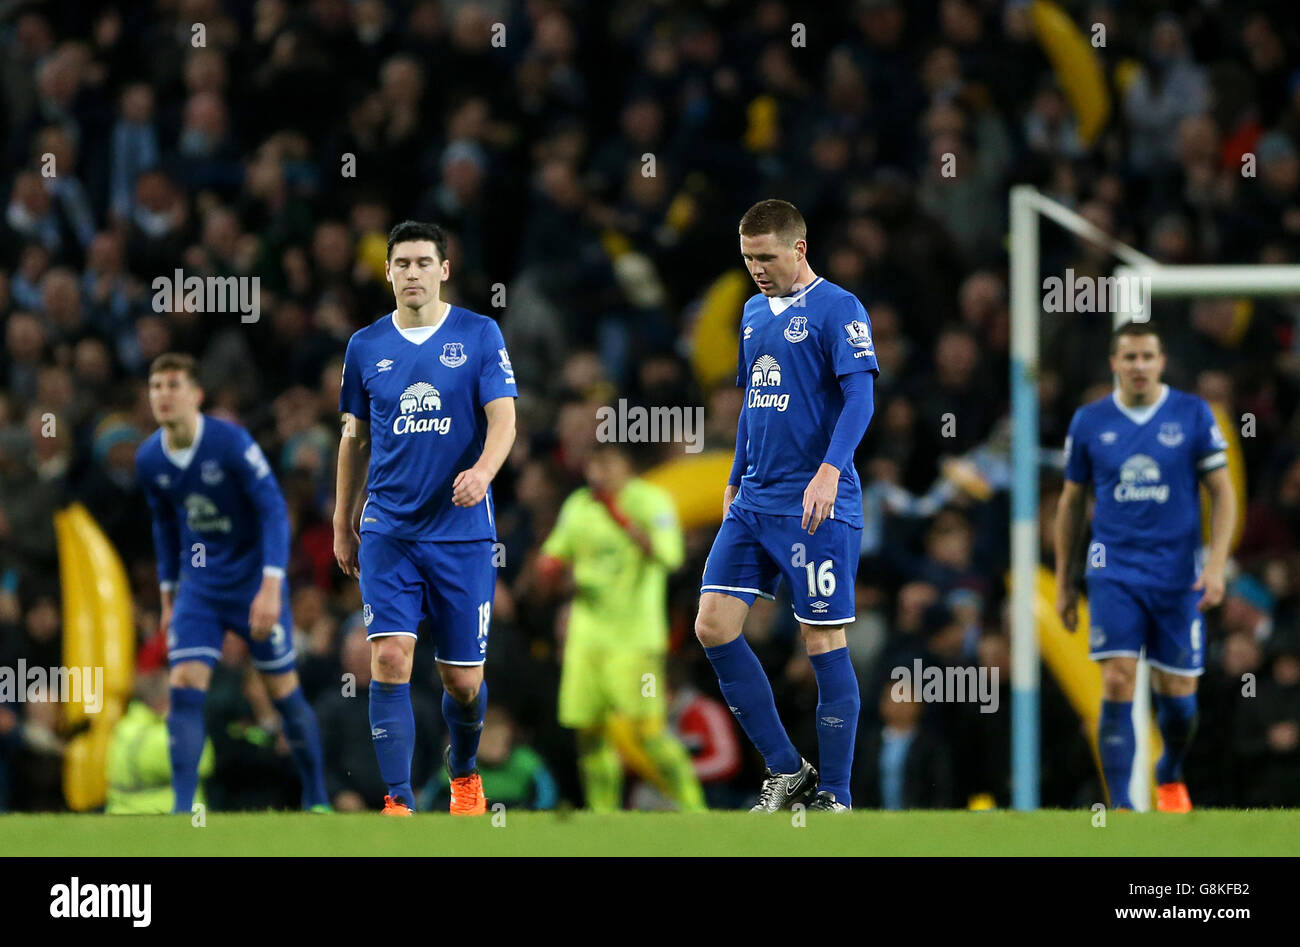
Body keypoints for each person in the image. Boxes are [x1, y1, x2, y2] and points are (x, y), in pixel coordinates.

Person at [694, 199, 878, 812]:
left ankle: (837, 794)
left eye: (766, 257)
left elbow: (860, 401)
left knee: (821, 642)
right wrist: (734, 475)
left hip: (814, 505)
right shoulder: (750, 313)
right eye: (747, 258)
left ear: (798, 249)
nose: (756, 269)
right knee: (712, 626)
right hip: (753, 500)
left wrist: (829, 471)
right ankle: (785, 768)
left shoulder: (839, 308)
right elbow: (753, 402)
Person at [334, 220, 517, 816]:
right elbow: (353, 440)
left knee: (462, 683)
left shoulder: (480, 333)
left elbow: (504, 419)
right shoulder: (365, 346)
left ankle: (464, 773)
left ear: (444, 269)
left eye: (423, 262)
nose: (412, 273)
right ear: (387, 272)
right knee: (388, 658)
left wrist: (484, 472)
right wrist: (343, 519)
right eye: (402, 263)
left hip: (462, 533)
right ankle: (398, 801)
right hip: (389, 528)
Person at [136, 352, 329, 813]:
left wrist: (270, 587)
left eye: (174, 384)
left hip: (252, 581)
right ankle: (183, 810)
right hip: (200, 585)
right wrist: (167, 594)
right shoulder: (149, 459)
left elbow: (274, 511)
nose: (164, 394)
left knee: (282, 692)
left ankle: (317, 798)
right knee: (183, 683)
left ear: (196, 395)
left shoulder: (231, 443)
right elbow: (164, 527)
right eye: (156, 385)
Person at [1055, 320, 1236, 812]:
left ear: (1161, 362)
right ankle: (1122, 810)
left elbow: (1223, 493)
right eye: (1129, 357)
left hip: (1179, 574)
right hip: (1112, 568)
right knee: (1117, 677)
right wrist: (1065, 583)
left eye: (1147, 357)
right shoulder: (1090, 422)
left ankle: (1170, 769)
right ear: (1114, 363)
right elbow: (1071, 505)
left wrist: (1216, 566)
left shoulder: (1193, 414)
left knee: (1178, 696)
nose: (1138, 366)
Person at [536, 439, 705, 812]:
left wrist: (629, 525)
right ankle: (603, 819)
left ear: (626, 465)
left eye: (606, 464)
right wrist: (551, 571)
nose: (597, 473)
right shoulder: (579, 505)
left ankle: (695, 810)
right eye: (593, 465)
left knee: (648, 731)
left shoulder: (651, 502)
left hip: (635, 639)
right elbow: (554, 554)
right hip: (587, 637)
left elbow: (672, 556)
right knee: (591, 733)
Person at [106, 667, 214, 814]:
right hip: (163, 818)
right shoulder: (163, 739)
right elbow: (204, 763)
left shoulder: (125, 728)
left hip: (124, 814)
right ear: (163, 703)